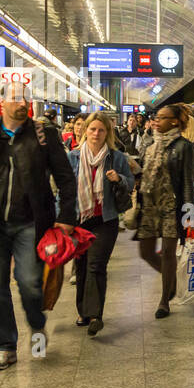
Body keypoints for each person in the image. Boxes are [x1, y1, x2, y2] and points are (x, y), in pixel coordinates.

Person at [0, 84, 77, 370]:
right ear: (2, 102)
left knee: (29, 284)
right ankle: (6, 346)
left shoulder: (44, 134)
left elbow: (65, 178)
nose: (21, 102)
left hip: (31, 222)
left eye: (25, 97)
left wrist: (66, 216)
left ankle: (37, 327)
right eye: (15, 97)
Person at [135, 103, 194, 319]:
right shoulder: (149, 143)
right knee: (146, 252)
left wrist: (188, 217)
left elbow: (187, 183)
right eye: (157, 117)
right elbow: (143, 171)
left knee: (167, 252)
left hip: (171, 206)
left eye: (163, 117)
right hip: (149, 206)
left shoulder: (186, 147)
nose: (157, 120)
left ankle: (164, 300)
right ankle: (171, 280)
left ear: (175, 121)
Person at [67, 113, 132, 336]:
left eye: (101, 130)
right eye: (92, 129)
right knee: (82, 265)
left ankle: (95, 315)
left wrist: (119, 179)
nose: (96, 134)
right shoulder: (73, 157)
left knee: (96, 264)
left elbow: (130, 181)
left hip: (106, 219)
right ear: (85, 131)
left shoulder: (116, 157)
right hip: (79, 219)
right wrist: (60, 218)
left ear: (108, 133)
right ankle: (83, 311)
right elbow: (64, 190)